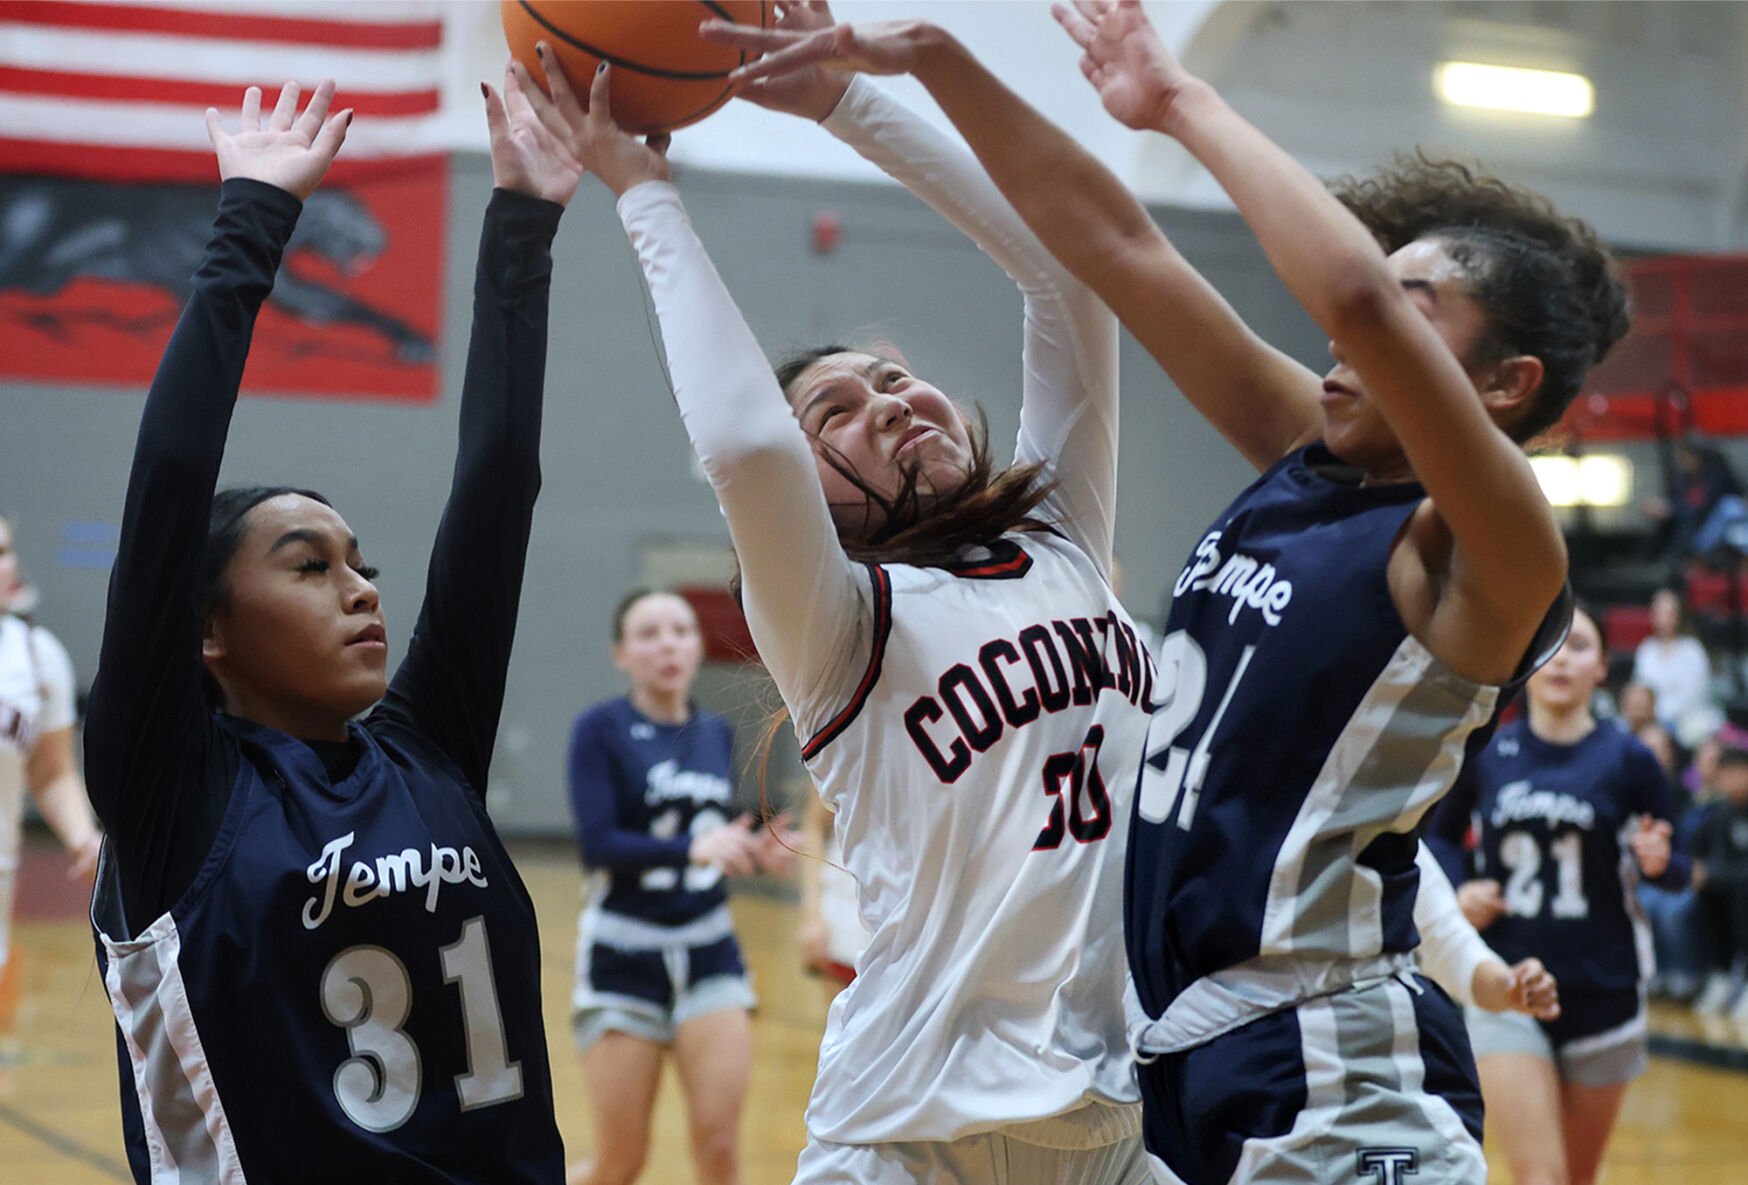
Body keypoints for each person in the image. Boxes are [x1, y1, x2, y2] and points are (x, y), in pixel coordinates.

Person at [709, 2, 1621, 1180]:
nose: (1343, 343)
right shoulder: (1317, 464)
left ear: (1502, 385)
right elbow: (1114, 250)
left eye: (1413, 312)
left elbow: (1350, 296)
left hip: (1330, 1055)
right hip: (1181, 1063)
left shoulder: (1494, 549)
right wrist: (916, 67)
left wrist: (1187, 106)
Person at [546, 15, 1154, 1180]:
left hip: (1110, 1120)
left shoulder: (1062, 535)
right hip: (907, 1135)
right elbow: (741, 446)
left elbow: (1064, 269)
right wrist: (645, 196)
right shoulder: (838, 622)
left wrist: (843, 101)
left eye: (891, 379)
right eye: (833, 413)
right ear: (806, 488)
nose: (885, 400)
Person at [84, 69, 581, 1182]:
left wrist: (524, 221)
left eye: (363, 565)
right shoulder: (171, 795)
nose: (361, 590)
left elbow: (499, 483)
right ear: (204, 631)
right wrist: (252, 222)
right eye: (310, 567)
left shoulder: (427, 751)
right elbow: (168, 481)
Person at [1430, 608, 1687, 1185]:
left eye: (1581, 646)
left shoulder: (1631, 760)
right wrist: (1458, 890)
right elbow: (1438, 839)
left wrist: (1659, 862)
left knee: (1576, 1178)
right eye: (1551, 646)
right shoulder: (1487, 751)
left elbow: (1678, 869)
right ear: (1527, 663)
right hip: (1510, 984)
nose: (1563, 658)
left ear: (1603, 668)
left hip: (1606, 992)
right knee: (1540, 1178)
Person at [566, 588, 790, 1185]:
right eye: (649, 634)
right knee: (620, 1163)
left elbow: (712, 827)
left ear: (697, 647)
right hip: (623, 958)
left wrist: (755, 849)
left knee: (719, 1148)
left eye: (681, 631)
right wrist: (691, 848)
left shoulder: (716, 731)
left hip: (710, 953)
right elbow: (599, 843)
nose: (668, 645)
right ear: (621, 653)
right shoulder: (599, 729)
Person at [0, 513, 102, 1024]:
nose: (6, 565)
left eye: (5, 551)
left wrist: (85, 841)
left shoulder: (36, 657)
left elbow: (51, 772)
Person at [797, 779, 868, 1003]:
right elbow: (814, 825)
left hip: (909, 914)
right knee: (844, 1018)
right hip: (847, 911)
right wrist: (812, 916)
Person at [1690, 746, 1748, 1020]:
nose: (1731, 780)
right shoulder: (1721, 813)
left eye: (1737, 773)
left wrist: (1713, 874)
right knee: (1706, 893)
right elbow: (1696, 851)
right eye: (1726, 774)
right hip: (1730, 887)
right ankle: (1721, 974)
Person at [1632, 588, 1716, 747]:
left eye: (1669, 613)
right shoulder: (1646, 649)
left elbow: (1694, 696)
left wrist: (1660, 716)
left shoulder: (1692, 650)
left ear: (1678, 616)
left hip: (1688, 722)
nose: (1663, 619)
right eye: (1658, 613)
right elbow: (1640, 689)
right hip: (1650, 721)